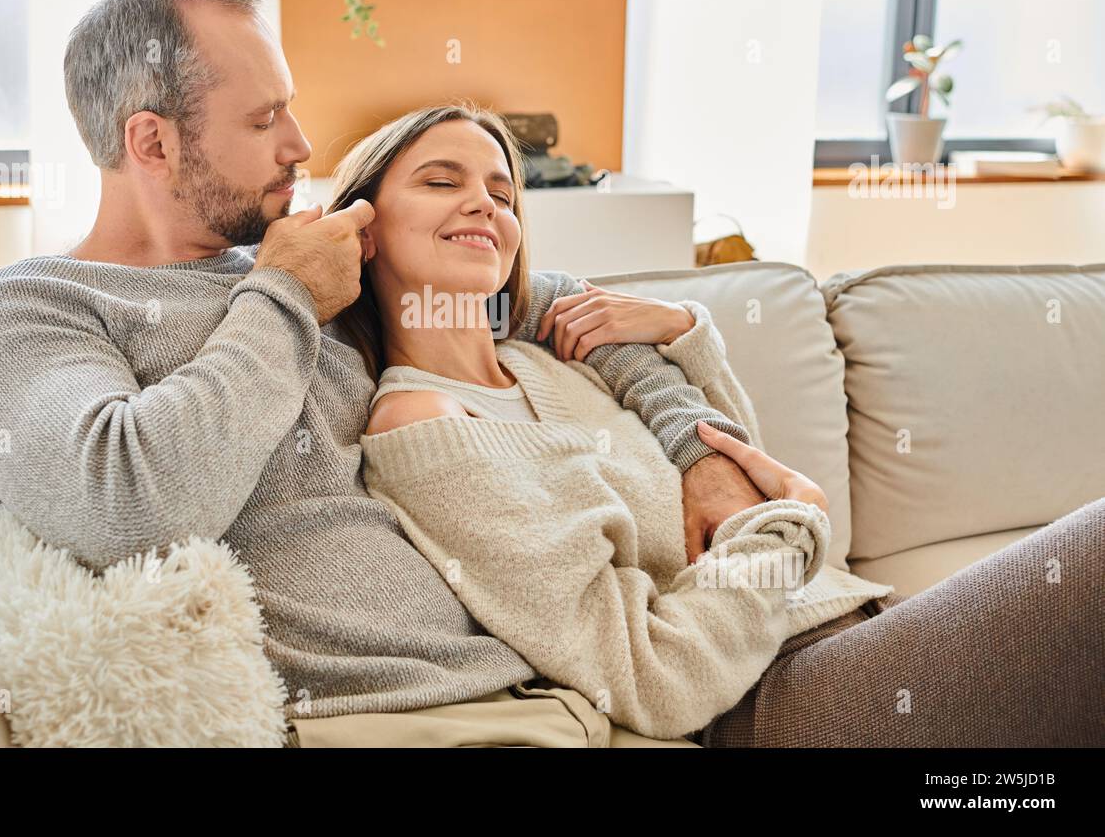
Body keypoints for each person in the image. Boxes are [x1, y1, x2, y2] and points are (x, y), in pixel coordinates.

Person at [0, 0, 782, 740]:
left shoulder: (311, 259)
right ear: (153, 143)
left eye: (290, 106)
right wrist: (282, 298)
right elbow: (125, 504)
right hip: (408, 718)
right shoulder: (35, 308)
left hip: (561, 689)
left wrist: (693, 447)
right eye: (262, 118)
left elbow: (552, 303)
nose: (301, 145)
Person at [284, 102, 1105, 748]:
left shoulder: (555, 358)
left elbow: (735, 470)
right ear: (361, 225)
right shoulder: (424, 423)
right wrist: (794, 529)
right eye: (441, 181)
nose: (484, 204)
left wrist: (685, 333)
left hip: (850, 628)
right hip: (778, 702)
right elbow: (651, 676)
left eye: (502, 192)